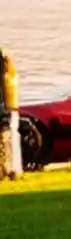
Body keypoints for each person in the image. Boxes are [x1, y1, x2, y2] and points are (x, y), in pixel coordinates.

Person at [1, 49, 21, 180]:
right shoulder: (9, 74)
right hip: (8, 108)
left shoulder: (7, 74)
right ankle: (10, 169)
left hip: (6, 108)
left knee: (7, 138)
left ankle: (8, 169)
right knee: (8, 138)